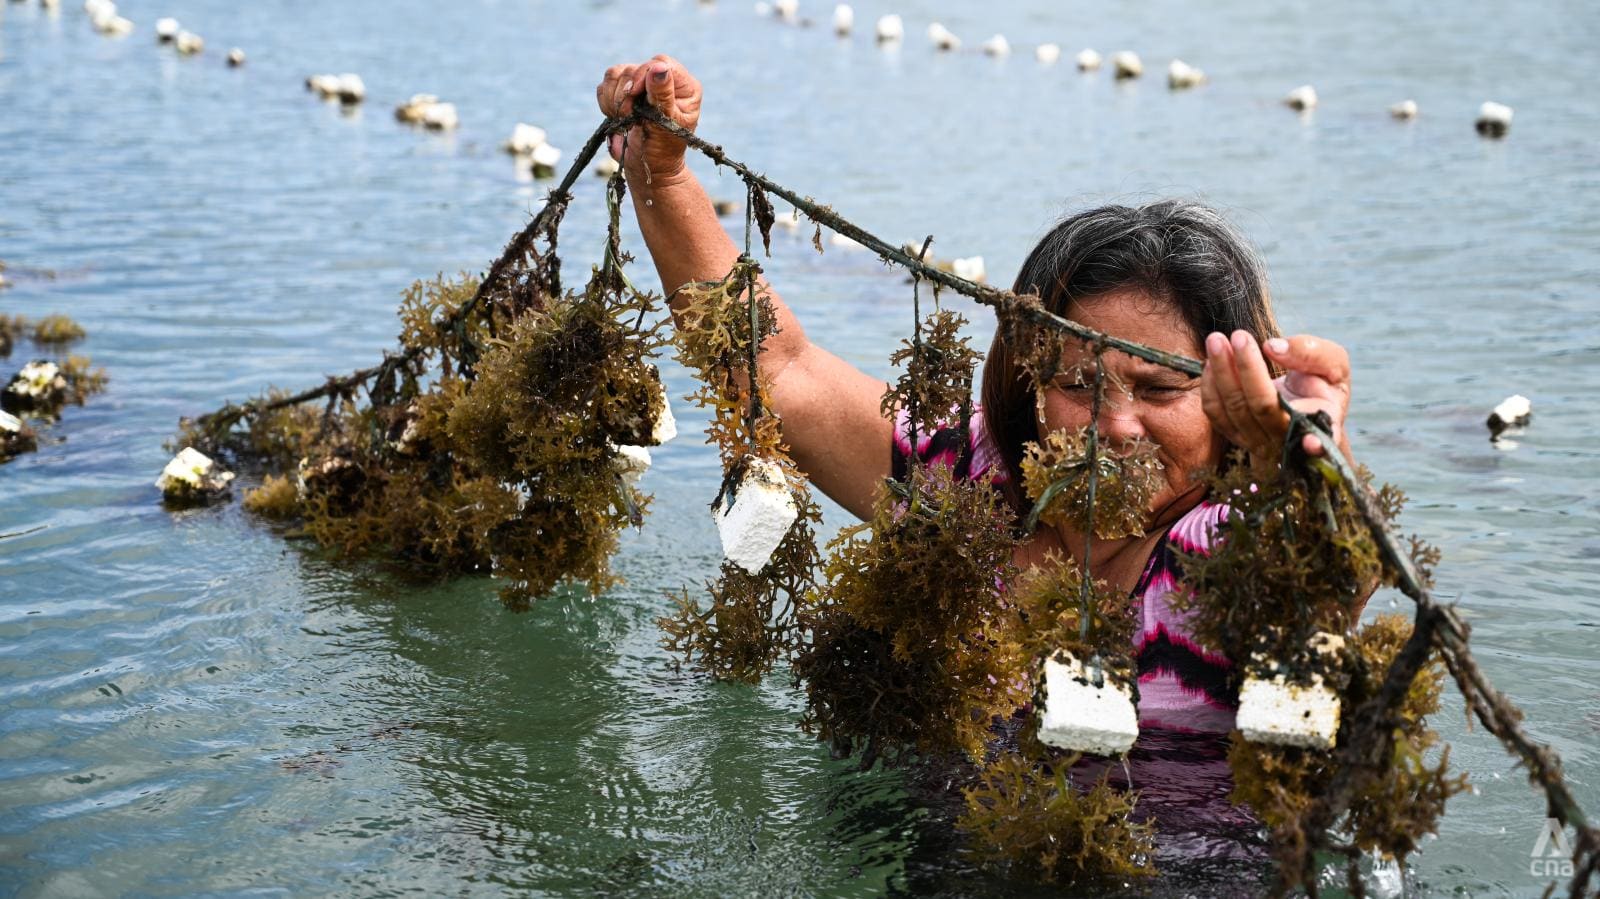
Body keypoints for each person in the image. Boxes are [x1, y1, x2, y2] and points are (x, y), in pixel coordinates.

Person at [595, 56, 1361, 838]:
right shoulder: (962, 484)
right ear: (1028, 382)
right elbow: (776, 367)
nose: (1116, 427)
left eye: (1160, 391)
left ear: (1231, 398)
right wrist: (666, 176)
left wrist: (1307, 462)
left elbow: (1340, 574)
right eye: (1079, 387)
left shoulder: (1244, 543)